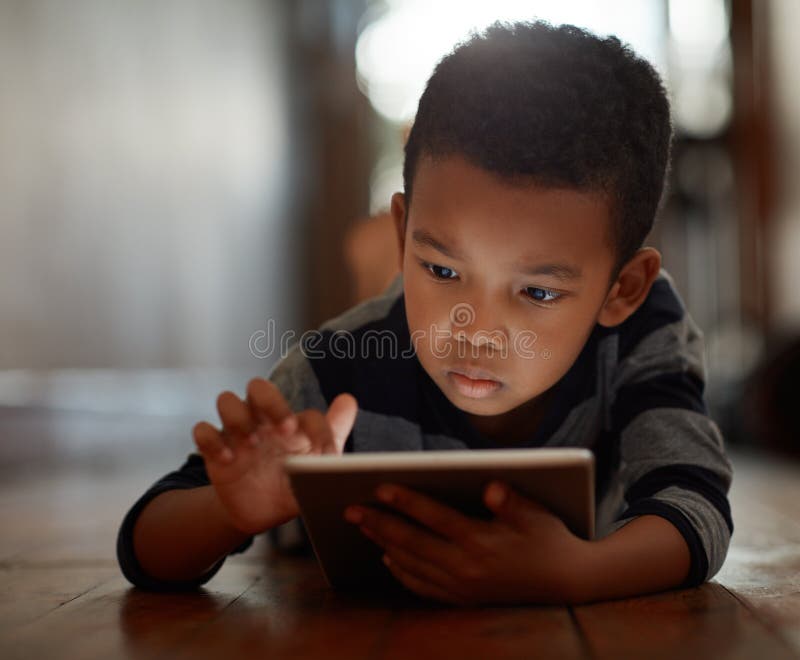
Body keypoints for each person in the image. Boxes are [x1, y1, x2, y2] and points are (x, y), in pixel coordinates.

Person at [117, 21, 733, 606]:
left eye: (538, 293)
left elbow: (694, 505)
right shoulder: (341, 370)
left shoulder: (641, 332)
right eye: (442, 271)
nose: (477, 332)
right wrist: (230, 512)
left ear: (621, 288)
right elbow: (147, 546)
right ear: (404, 231)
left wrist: (573, 573)